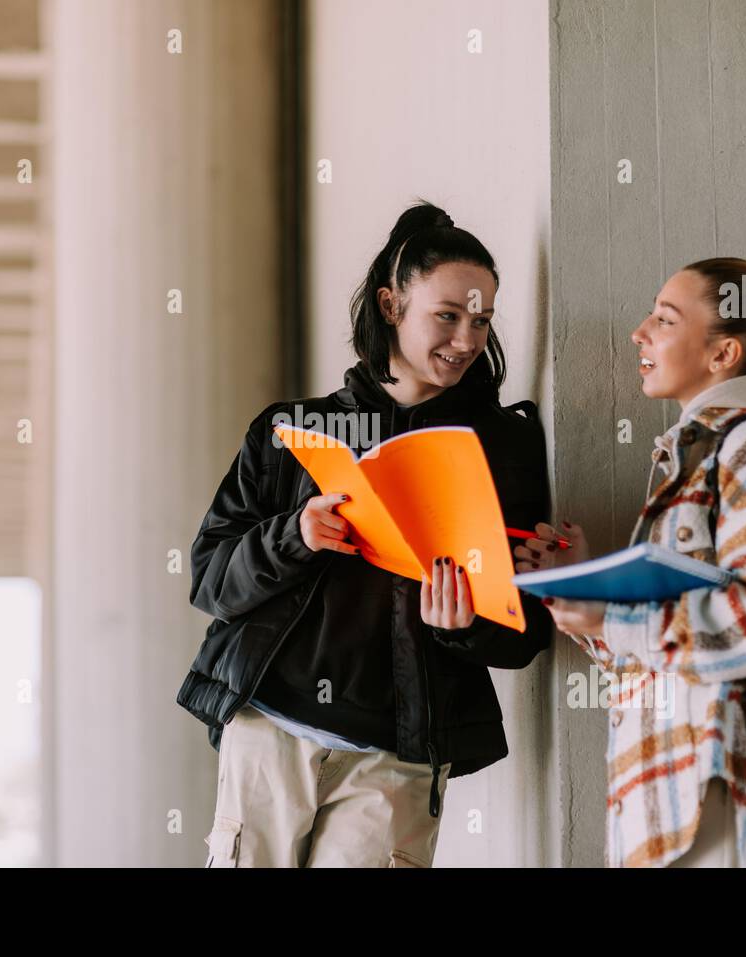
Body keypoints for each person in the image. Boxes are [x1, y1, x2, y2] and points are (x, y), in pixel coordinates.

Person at [178, 200, 551, 867]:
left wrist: (461, 623)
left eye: (482, 318)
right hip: (270, 728)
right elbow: (211, 579)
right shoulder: (290, 431)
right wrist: (293, 533)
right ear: (390, 305)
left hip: (397, 753)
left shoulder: (503, 447)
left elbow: (526, 631)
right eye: (448, 315)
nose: (467, 339)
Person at [516, 258, 746, 867]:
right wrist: (591, 604)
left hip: (724, 810)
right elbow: (674, 657)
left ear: (722, 356)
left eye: (664, 319)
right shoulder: (700, 455)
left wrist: (613, 622)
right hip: (675, 812)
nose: (639, 332)